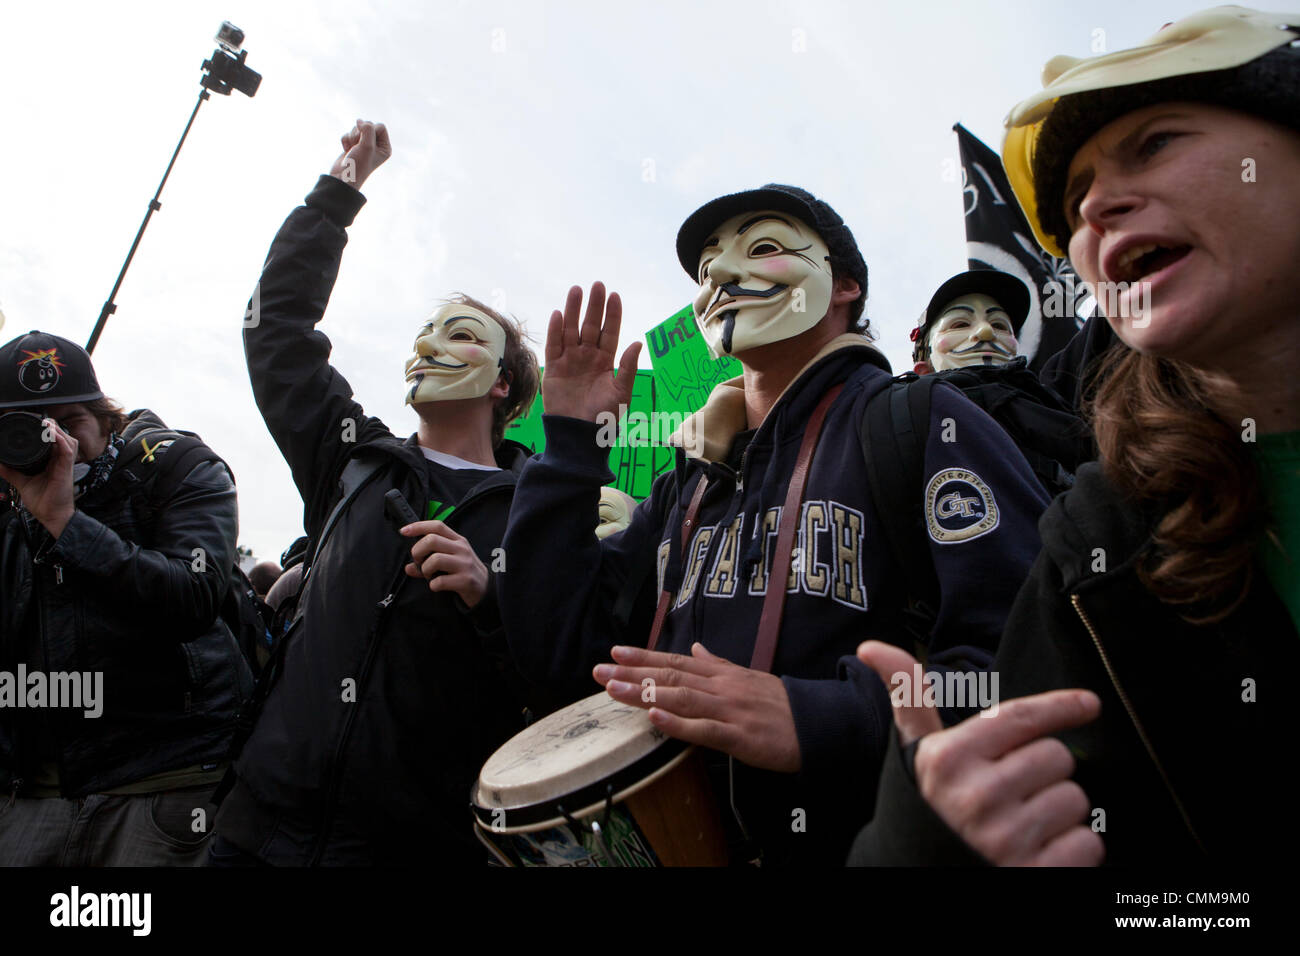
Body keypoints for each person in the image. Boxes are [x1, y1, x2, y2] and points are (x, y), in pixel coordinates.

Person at [850, 5, 1300, 866]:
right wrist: (929, 833)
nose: (1094, 205)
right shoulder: (1099, 538)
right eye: (1073, 197)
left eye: (1157, 140)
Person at [498, 184, 1050, 865]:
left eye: (761, 249)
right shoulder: (686, 484)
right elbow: (561, 653)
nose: (722, 277)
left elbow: (1028, 663)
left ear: (846, 284)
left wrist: (821, 718)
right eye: (706, 271)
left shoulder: (923, 424)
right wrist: (571, 441)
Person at [210, 120, 540, 866]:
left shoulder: (537, 514)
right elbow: (275, 332)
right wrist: (335, 196)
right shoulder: (351, 459)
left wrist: (490, 602)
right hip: (253, 834)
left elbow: (555, 678)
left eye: (456, 336)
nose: (425, 346)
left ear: (501, 383)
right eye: (422, 334)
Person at [0, 331, 249, 865]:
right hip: (32, 792)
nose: (54, 445)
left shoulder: (174, 466)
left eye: (68, 425)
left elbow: (193, 595)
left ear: (107, 418)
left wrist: (66, 522)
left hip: (163, 778)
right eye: (26, 429)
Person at [907, 269, 1093, 495]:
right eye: (959, 324)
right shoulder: (907, 422)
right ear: (923, 370)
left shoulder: (1054, 395)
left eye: (999, 325)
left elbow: (1112, 319)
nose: (986, 332)